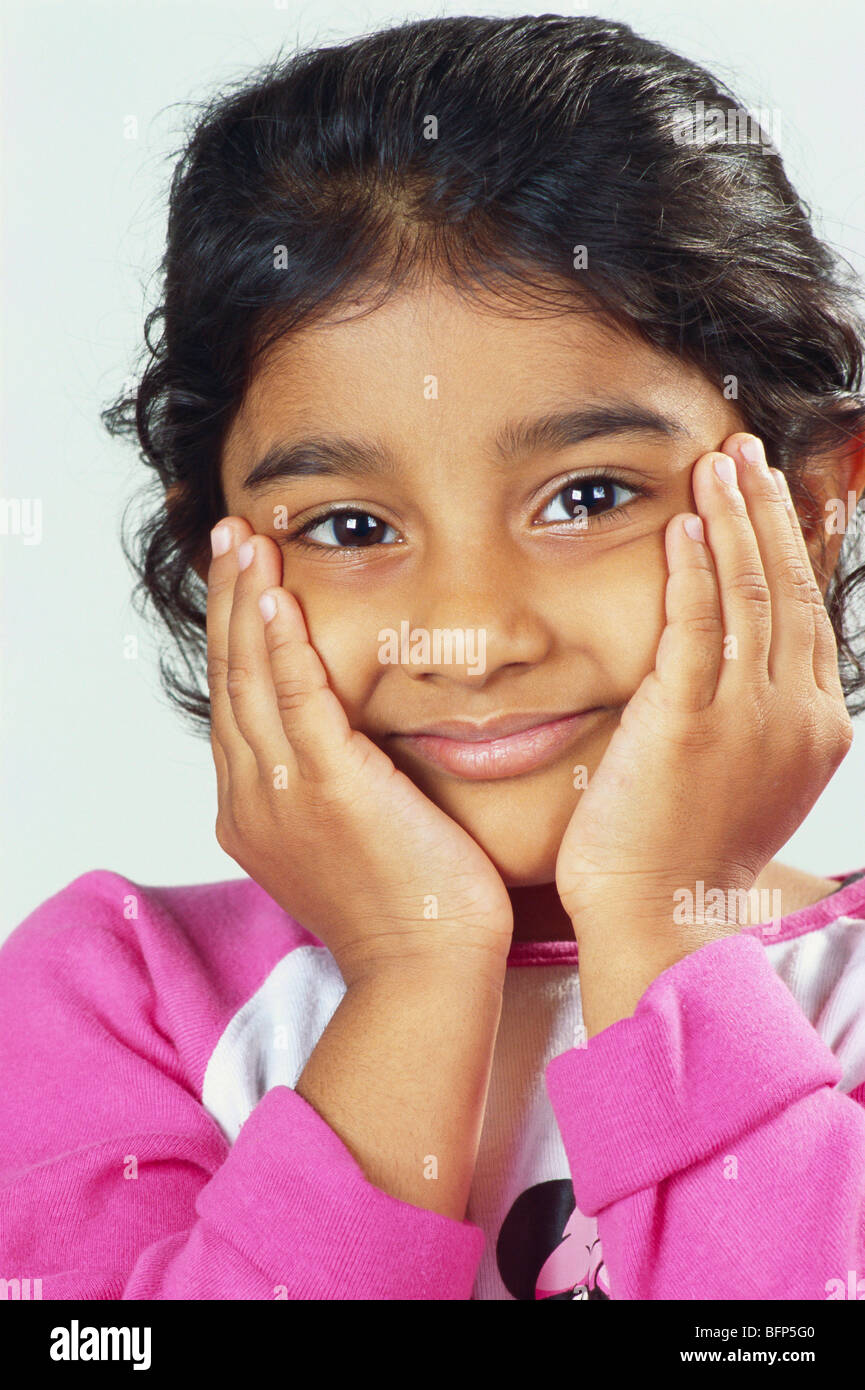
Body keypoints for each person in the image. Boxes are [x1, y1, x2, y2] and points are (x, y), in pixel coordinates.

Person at [3, 13, 865, 1301]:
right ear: (213, 551)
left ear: (805, 503)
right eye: (351, 527)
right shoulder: (112, 1000)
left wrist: (666, 918)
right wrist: (411, 969)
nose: (474, 634)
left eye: (587, 497)